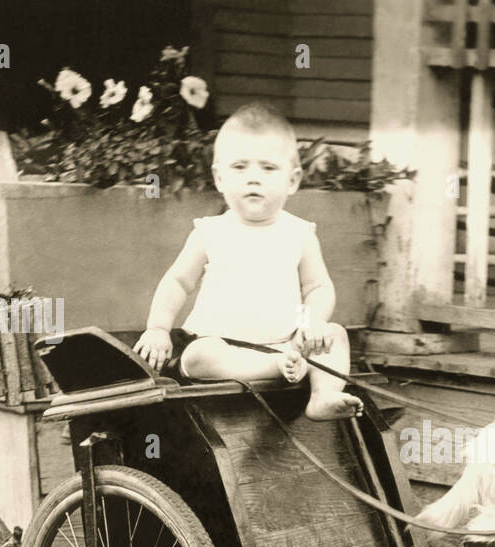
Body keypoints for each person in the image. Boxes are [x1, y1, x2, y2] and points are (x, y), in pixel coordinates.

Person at [133, 102, 363, 420]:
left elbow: (318, 287)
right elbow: (177, 281)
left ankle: (324, 395)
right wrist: (158, 328)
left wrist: (313, 323)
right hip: (224, 351)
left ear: (293, 180)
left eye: (268, 168)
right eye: (240, 167)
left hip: (285, 346)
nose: (253, 178)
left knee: (335, 335)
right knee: (201, 354)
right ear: (219, 178)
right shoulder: (209, 232)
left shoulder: (299, 234)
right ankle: (273, 369)